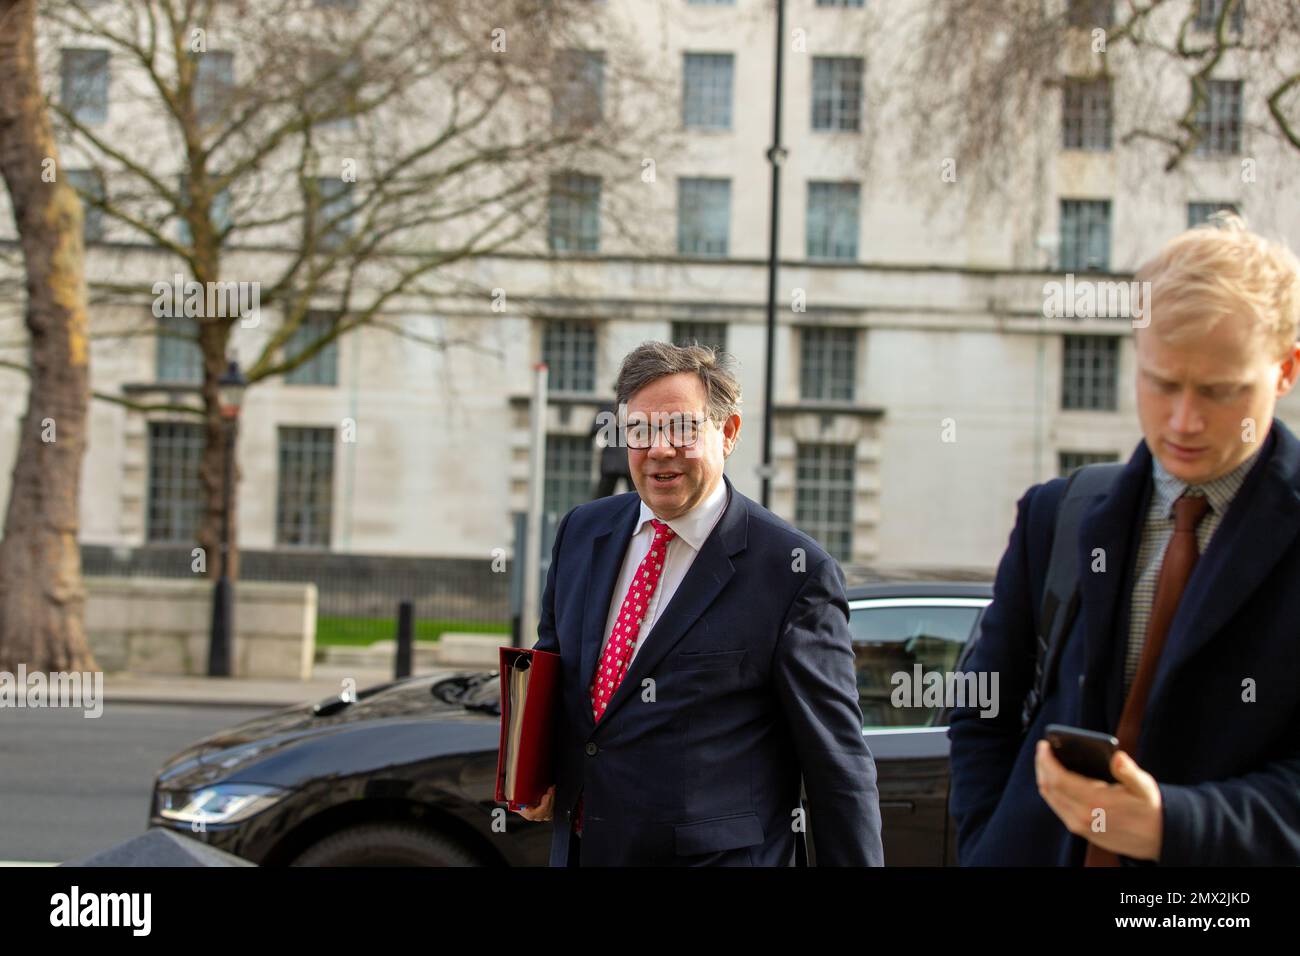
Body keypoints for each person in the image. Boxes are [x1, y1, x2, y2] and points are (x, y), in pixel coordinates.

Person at [948, 215, 1300, 865]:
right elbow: (981, 708)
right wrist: (987, 847)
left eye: (1221, 392)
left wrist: (1177, 825)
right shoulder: (1060, 513)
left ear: (1285, 370)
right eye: (1161, 383)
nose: (1183, 421)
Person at [514, 341, 883, 866]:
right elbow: (555, 663)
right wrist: (534, 766)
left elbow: (838, 766)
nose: (659, 449)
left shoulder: (793, 571)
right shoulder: (582, 531)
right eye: (639, 431)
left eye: (682, 428)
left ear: (728, 432)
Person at [589, 400, 633, 498]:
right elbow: (594, 430)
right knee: (601, 499)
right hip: (613, 460)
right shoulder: (607, 408)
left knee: (638, 497)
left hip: (626, 459)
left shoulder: (634, 406)